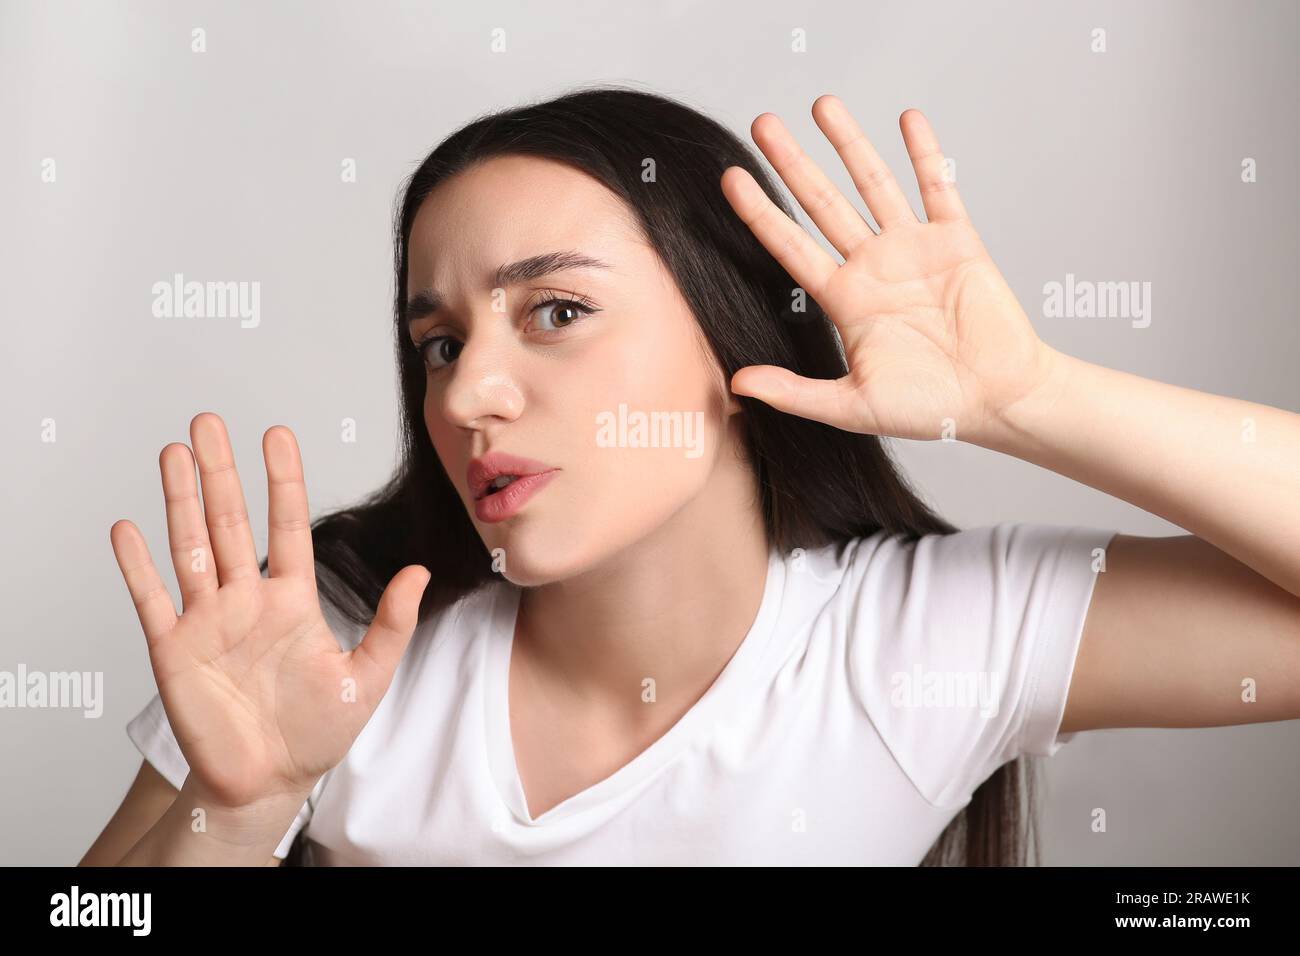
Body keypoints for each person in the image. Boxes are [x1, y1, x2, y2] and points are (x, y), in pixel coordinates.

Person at [81, 85, 1300, 867]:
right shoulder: (338, 636)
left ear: (734, 341)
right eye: (439, 342)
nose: (462, 395)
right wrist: (232, 812)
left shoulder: (915, 640)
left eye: (554, 309)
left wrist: (1024, 398)